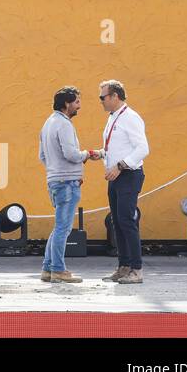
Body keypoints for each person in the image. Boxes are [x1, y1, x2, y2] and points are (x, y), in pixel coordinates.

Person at [38, 86, 102, 284]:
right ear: (67, 103)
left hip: (55, 181)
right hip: (66, 183)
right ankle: (58, 270)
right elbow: (71, 154)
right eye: (76, 102)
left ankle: (48, 269)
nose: (79, 106)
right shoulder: (64, 125)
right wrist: (87, 155)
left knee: (59, 227)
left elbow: (42, 156)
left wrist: (57, 170)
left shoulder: (48, 123)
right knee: (63, 229)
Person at [99, 79, 149, 284]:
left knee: (127, 222)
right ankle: (124, 266)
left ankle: (136, 269)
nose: (101, 101)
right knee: (117, 222)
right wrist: (101, 154)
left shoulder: (130, 117)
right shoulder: (113, 118)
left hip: (128, 175)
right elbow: (117, 147)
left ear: (114, 97)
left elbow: (143, 149)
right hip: (116, 176)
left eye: (103, 97)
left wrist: (120, 166)